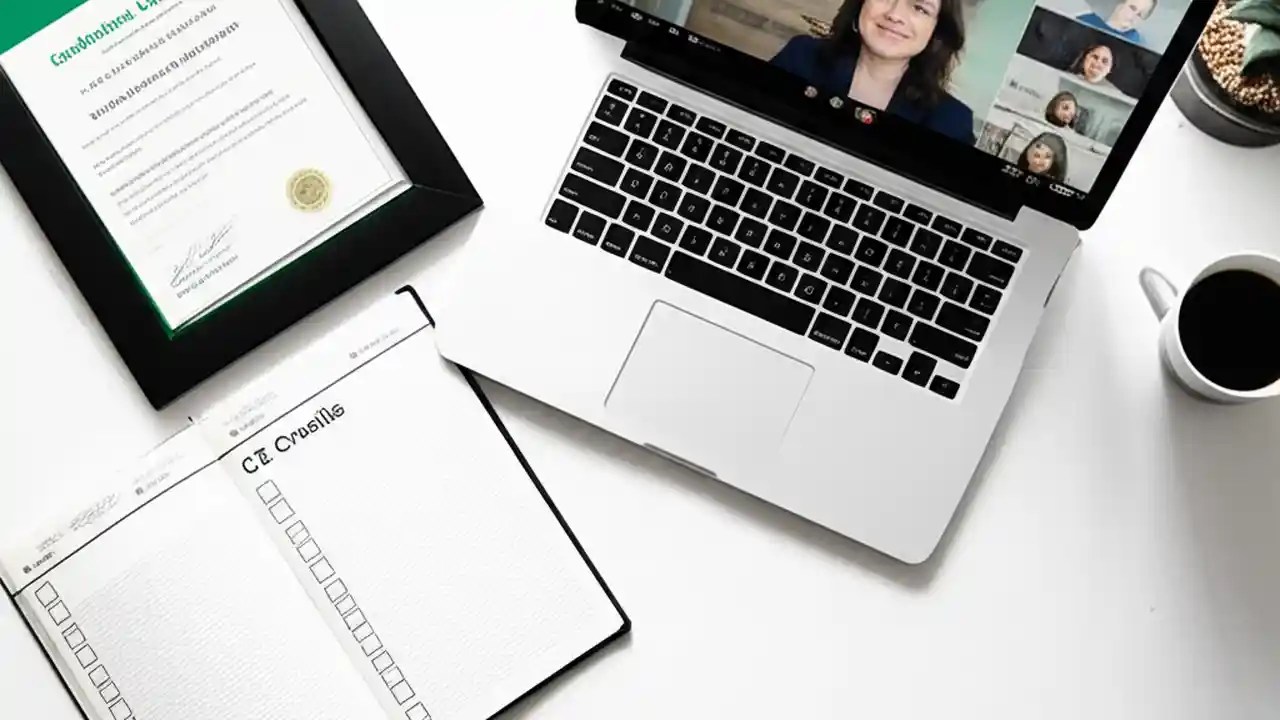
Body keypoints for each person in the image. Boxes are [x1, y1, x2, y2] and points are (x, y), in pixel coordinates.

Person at [770, 0, 975, 144]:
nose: (895, 15)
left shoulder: (952, 123)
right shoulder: (801, 56)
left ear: (937, 32)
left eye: (920, 8)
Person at [1077, 0, 1157, 46]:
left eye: (1140, 14)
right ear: (1120, 3)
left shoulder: (1138, 44)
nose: (1133, 17)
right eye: (1132, 8)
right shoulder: (1085, 21)